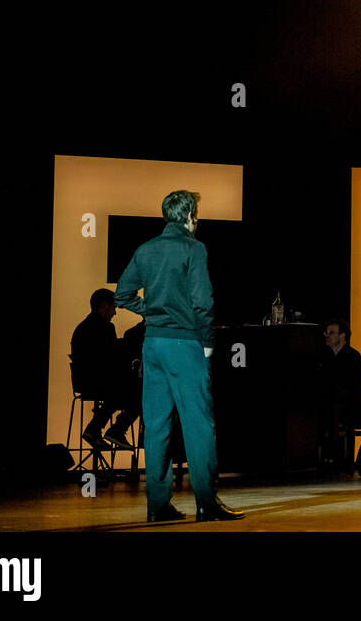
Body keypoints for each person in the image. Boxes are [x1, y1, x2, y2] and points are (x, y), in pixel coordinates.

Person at [115, 190, 244, 523]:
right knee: (198, 426)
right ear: (190, 216)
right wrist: (206, 341)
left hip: (153, 344)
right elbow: (204, 301)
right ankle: (206, 503)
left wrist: (155, 312)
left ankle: (158, 507)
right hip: (185, 344)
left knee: (156, 426)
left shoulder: (146, 249)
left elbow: (123, 294)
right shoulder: (193, 248)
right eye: (196, 215)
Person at [70, 288, 139, 452]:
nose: (115, 313)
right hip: (99, 381)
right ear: (104, 306)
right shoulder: (105, 328)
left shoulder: (82, 327)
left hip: (85, 381)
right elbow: (111, 358)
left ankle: (96, 428)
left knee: (125, 387)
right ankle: (117, 429)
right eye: (114, 308)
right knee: (139, 390)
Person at [319, 318, 361, 470]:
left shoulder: (353, 357)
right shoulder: (324, 357)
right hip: (334, 404)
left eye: (331, 332)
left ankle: (337, 458)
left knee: (335, 403)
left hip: (353, 405)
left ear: (342, 336)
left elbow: (353, 388)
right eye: (326, 332)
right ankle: (325, 456)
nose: (327, 335)